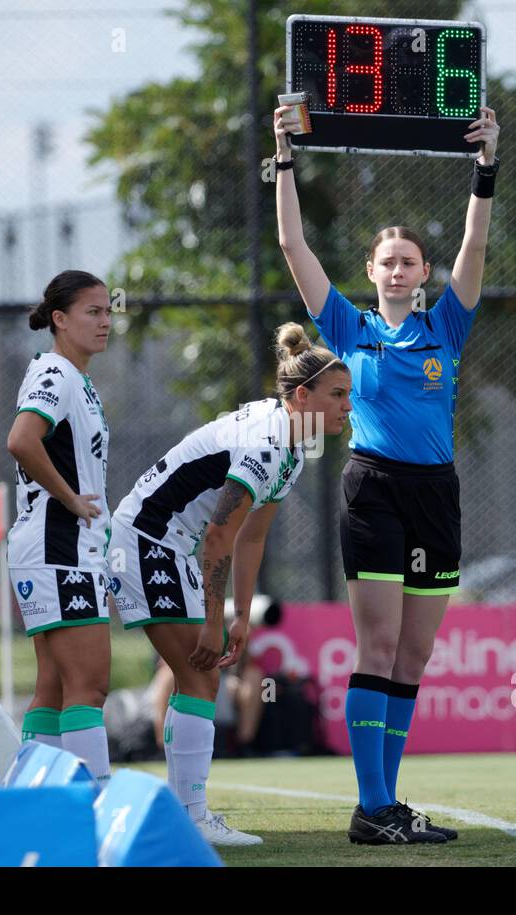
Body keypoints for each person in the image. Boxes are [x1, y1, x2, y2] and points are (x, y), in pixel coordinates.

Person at [274, 101, 501, 845]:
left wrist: (485, 164)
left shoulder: (447, 325)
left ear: (422, 272)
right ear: (370, 273)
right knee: (376, 648)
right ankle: (371, 807)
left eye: (408, 260)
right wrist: (284, 155)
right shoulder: (350, 327)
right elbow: (291, 243)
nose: (398, 269)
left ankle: (388, 805)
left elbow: (476, 241)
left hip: (437, 494)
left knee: (414, 653)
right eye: (386, 261)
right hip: (372, 489)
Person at [109, 323, 350, 846]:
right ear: (302, 396)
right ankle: (188, 820)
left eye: (348, 395)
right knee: (198, 677)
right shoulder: (265, 444)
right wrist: (214, 622)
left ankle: (185, 816)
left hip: (170, 545)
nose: (347, 407)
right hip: (147, 538)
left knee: (199, 679)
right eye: (337, 395)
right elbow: (218, 536)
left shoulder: (293, 448)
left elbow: (251, 538)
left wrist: (239, 616)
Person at [5, 270, 113, 785]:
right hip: (58, 543)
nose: (105, 321)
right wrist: (70, 499)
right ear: (60, 319)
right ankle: (96, 809)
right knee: (88, 687)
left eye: (109, 311)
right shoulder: (55, 373)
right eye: (93, 312)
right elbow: (22, 439)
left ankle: (36, 807)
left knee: (53, 685)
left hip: (52, 546)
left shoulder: (75, 377)